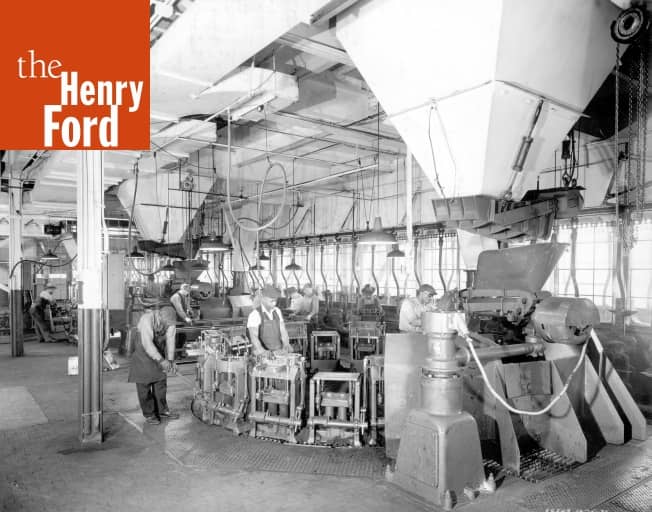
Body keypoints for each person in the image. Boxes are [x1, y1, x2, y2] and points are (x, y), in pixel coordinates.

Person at [128, 300, 180, 425]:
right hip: (142, 352)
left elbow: (171, 340)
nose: (168, 326)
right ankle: (149, 414)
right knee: (144, 384)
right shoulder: (147, 319)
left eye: (170, 324)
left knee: (160, 382)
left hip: (158, 351)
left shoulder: (171, 322)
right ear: (160, 316)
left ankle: (162, 410)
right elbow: (147, 343)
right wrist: (161, 360)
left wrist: (171, 360)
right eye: (166, 324)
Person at [247, 285, 292, 356]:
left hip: (278, 351)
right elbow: (254, 337)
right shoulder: (255, 314)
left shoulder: (277, 311)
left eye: (275, 300)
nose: (274, 303)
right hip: (262, 354)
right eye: (271, 301)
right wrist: (262, 352)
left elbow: (283, 330)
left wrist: (286, 344)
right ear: (263, 299)